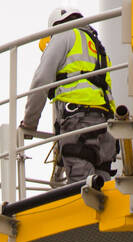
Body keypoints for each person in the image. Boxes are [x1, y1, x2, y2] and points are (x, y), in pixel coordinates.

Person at [21, 8, 117, 187]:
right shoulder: (98, 48)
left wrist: (29, 123)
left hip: (79, 124)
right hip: (107, 129)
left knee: (82, 193)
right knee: (104, 194)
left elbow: (42, 79)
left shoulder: (63, 35)